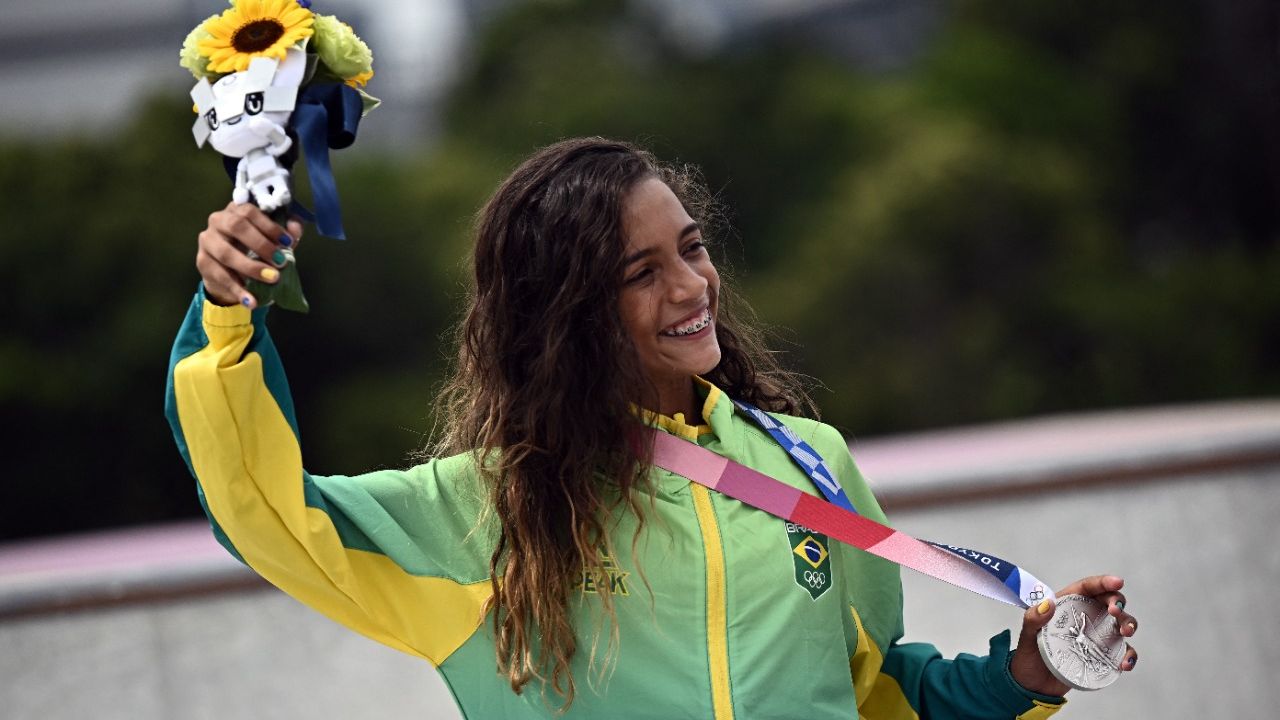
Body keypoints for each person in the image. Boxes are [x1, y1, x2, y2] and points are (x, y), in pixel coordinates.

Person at [166, 137, 1139, 719]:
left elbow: (878, 695)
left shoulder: (811, 462)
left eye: (691, 248)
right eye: (641, 273)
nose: (690, 287)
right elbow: (265, 510)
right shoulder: (487, 509)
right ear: (563, 315)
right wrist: (227, 316)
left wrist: (1031, 670)